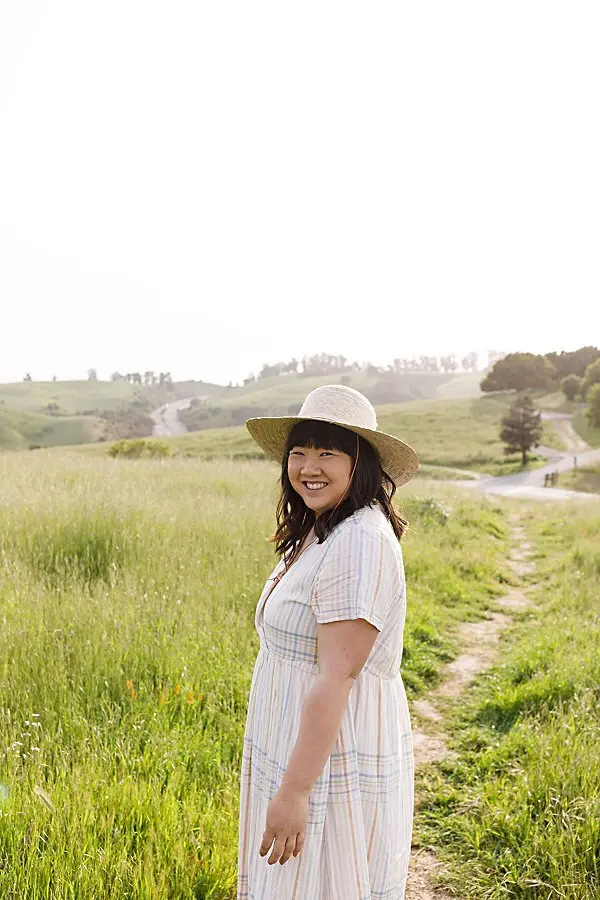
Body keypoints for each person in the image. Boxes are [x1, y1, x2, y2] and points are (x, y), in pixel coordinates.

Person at [237, 383, 419, 899]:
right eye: (299, 452)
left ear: (360, 464)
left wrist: (295, 791)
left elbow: (337, 677)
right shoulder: (323, 528)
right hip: (299, 740)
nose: (308, 467)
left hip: (331, 752)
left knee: (320, 883)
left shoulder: (360, 540)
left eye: (327, 454)